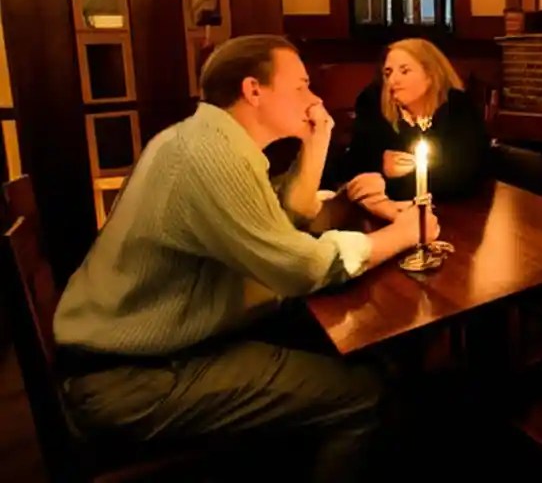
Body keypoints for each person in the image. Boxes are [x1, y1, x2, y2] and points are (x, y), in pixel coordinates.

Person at [51, 34, 434, 483]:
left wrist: (317, 142)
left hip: (149, 351)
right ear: (254, 90)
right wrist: (406, 233)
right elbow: (302, 266)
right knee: (364, 392)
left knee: (335, 345)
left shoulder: (208, 139)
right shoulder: (207, 154)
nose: (314, 99)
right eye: (302, 86)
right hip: (133, 378)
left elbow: (281, 216)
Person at [339, 38, 490, 204]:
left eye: (404, 71)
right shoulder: (373, 104)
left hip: (458, 211)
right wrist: (380, 164)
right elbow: (353, 166)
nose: (393, 81)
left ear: (430, 75)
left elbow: (466, 175)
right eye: (388, 73)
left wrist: (394, 183)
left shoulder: (458, 107)